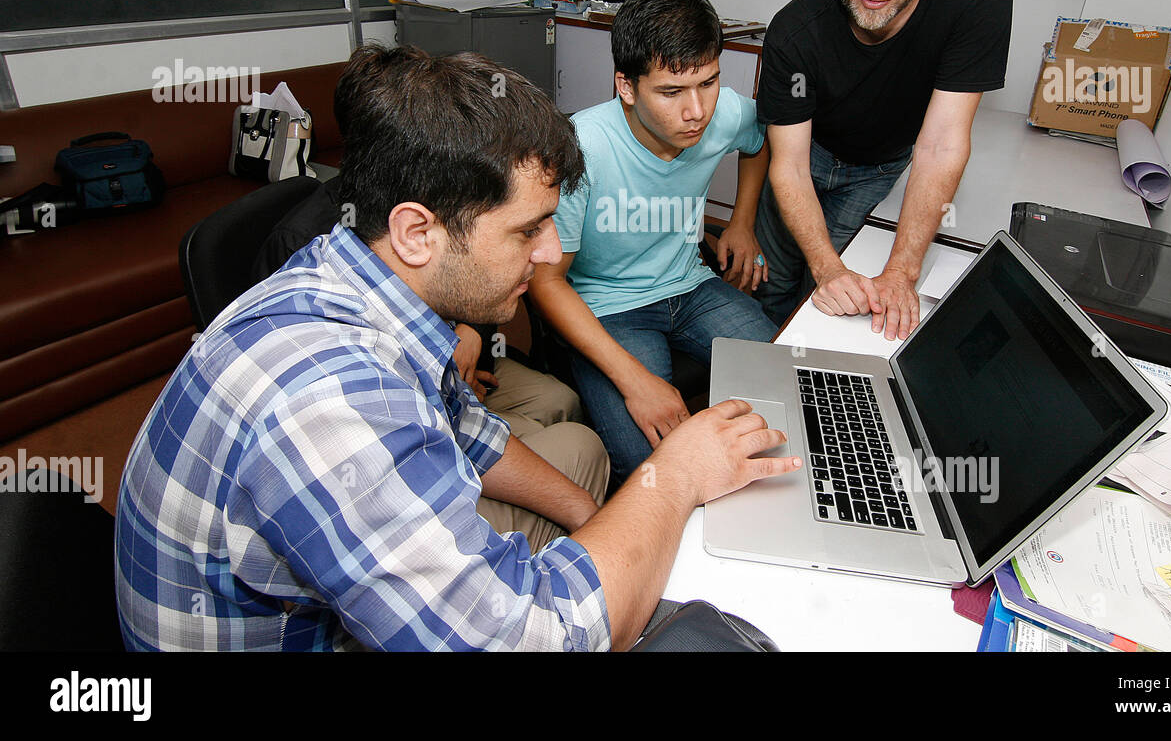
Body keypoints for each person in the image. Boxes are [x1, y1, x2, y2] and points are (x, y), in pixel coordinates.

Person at [115, 45, 799, 652]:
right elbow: (535, 640)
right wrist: (674, 478)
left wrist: (601, 517)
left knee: (588, 482)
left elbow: (469, 432)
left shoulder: (355, 274)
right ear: (417, 233)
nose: (552, 251)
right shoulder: (330, 406)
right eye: (527, 230)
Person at [753, 0, 1013, 338]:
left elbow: (940, 144)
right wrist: (828, 268)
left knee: (839, 300)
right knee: (776, 280)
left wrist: (902, 270)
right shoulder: (793, 32)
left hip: (878, 168)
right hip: (807, 157)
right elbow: (789, 164)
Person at [528, 0, 778, 489]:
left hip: (690, 286)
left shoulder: (723, 112)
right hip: (608, 305)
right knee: (652, 471)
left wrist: (743, 222)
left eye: (708, 83)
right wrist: (636, 381)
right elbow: (546, 281)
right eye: (670, 92)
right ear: (626, 86)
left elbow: (759, 141)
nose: (696, 111)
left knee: (792, 387)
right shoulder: (581, 146)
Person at [251, 79, 583, 439]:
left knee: (560, 404)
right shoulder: (312, 252)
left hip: (456, 378)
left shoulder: (436, 220)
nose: (550, 251)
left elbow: (468, 277)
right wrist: (446, 383)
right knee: (576, 446)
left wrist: (469, 337)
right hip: (413, 407)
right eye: (527, 230)